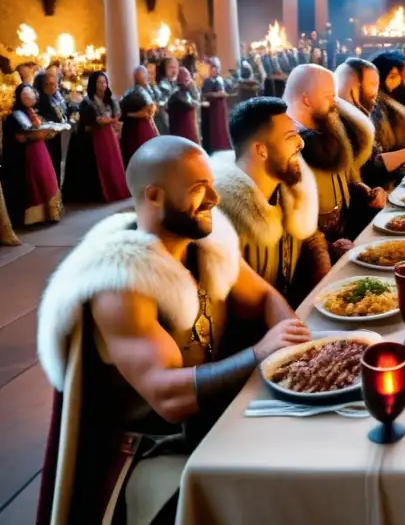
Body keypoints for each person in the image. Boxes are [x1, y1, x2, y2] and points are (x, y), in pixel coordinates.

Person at [35, 135, 309, 525]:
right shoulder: (121, 284)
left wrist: (293, 345)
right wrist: (261, 354)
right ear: (154, 196)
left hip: (214, 425)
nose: (214, 199)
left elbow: (264, 297)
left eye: (211, 186)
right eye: (200, 190)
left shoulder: (207, 246)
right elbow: (168, 398)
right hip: (158, 454)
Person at [214, 98, 330, 307]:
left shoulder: (289, 190)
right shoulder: (222, 215)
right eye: (289, 137)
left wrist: (325, 277)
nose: (300, 143)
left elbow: (311, 238)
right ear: (261, 150)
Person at [284, 64, 382, 251]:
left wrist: (366, 192)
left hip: (345, 238)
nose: (335, 104)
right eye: (329, 97)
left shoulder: (328, 131)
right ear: (306, 99)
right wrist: (327, 248)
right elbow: (288, 225)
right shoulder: (288, 147)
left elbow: (344, 180)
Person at [336, 58, 405, 190]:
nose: (375, 92)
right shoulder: (343, 123)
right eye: (372, 84)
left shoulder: (365, 112)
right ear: (353, 89)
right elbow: (368, 170)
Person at [1, 83, 63, 226]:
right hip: (26, 157)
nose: (29, 97)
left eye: (30, 95)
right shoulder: (14, 116)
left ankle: (51, 213)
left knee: (47, 180)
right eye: (25, 95)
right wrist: (33, 136)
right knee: (35, 184)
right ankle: (35, 217)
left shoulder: (34, 112)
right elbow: (18, 138)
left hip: (40, 152)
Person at [67, 71, 131, 203]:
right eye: (99, 82)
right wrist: (104, 121)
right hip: (93, 137)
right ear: (93, 84)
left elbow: (116, 115)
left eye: (104, 82)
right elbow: (92, 120)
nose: (103, 85)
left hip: (109, 135)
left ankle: (117, 189)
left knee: (114, 162)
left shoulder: (110, 99)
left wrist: (110, 121)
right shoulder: (87, 101)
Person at [34, 66, 73, 186]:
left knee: (58, 164)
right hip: (47, 138)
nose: (53, 87)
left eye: (54, 84)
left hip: (60, 136)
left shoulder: (59, 97)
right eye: (48, 84)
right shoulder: (39, 101)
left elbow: (65, 109)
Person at [120, 64, 161, 167]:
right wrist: (133, 114)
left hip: (137, 127)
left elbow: (151, 109)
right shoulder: (135, 91)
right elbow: (148, 111)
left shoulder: (135, 91)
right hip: (138, 128)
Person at [201, 57, 232, 153]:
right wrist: (215, 94)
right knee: (214, 127)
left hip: (221, 107)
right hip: (212, 108)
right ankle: (215, 146)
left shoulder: (221, 79)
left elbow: (226, 91)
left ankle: (223, 145)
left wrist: (220, 94)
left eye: (217, 67)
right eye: (213, 67)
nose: (215, 69)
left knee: (222, 126)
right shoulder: (207, 81)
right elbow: (204, 93)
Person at [168, 66, 201, 145]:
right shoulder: (178, 94)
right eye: (188, 79)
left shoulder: (184, 92)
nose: (190, 81)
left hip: (182, 133)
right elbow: (191, 104)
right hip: (183, 133)